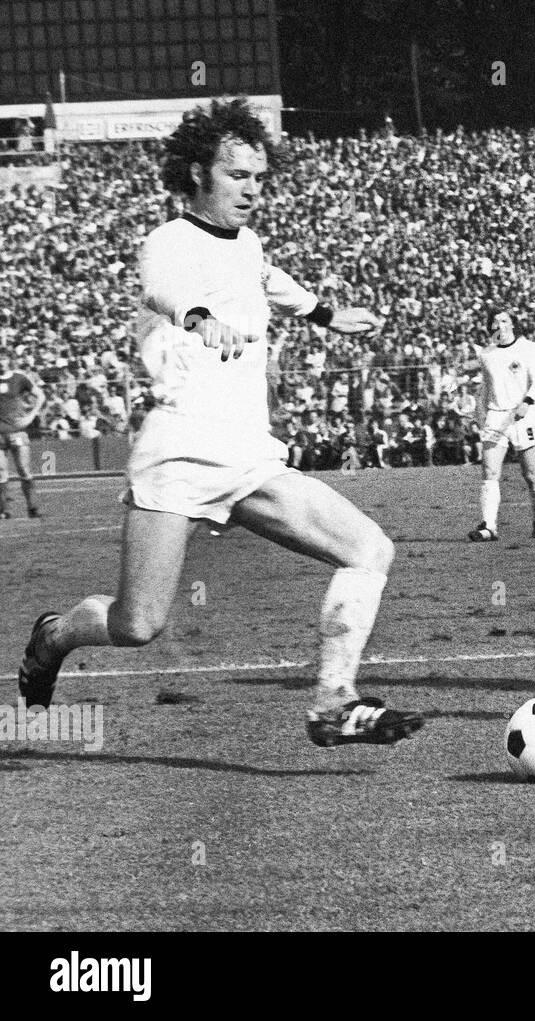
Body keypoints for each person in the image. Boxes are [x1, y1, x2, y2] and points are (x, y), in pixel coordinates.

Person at [16, 97, 423, 748]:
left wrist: (326, 314)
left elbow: (267, 276)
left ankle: (330, 702)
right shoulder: (169, 240)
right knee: (136, 623)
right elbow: (167, 288)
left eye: (260, 177)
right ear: (199, 173)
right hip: (178, 454)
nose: (253, 189)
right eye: (238, 175)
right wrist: (202, 318)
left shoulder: (251, 242)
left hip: (248, 457)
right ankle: (55, 634)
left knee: (368, 548)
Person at [468, 311, 535, 540]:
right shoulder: (486, 354)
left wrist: (528, 403)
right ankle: (488, 527)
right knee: (489, 472)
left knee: (531, 474)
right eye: (495, 321)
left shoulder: (528, 348)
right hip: (496, 416)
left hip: (523, 415)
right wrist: (480, 412)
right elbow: (486, 386)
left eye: (504, 320)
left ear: (512, 324)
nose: (499, 325)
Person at [0, 351, 45, 519]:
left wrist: (32, 415)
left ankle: (32, 508)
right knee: (1, 472)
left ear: (9, 360)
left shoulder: (19, 378)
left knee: (24, 471)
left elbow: (40, 395)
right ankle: (5, 510)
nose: (1, 362)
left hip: (17, 432)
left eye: (3, 358)